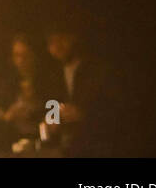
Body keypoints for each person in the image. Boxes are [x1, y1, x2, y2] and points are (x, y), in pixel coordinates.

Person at [45, 21, 119, 156]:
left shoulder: (96, 71)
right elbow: (53, 106)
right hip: (68, 149)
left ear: (73, 38)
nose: (57, 46)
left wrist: (84, 114)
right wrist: (53, 121)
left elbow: (115, 111)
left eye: (62, 39)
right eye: (52, 42)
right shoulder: (54, 75)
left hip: (97, 148)